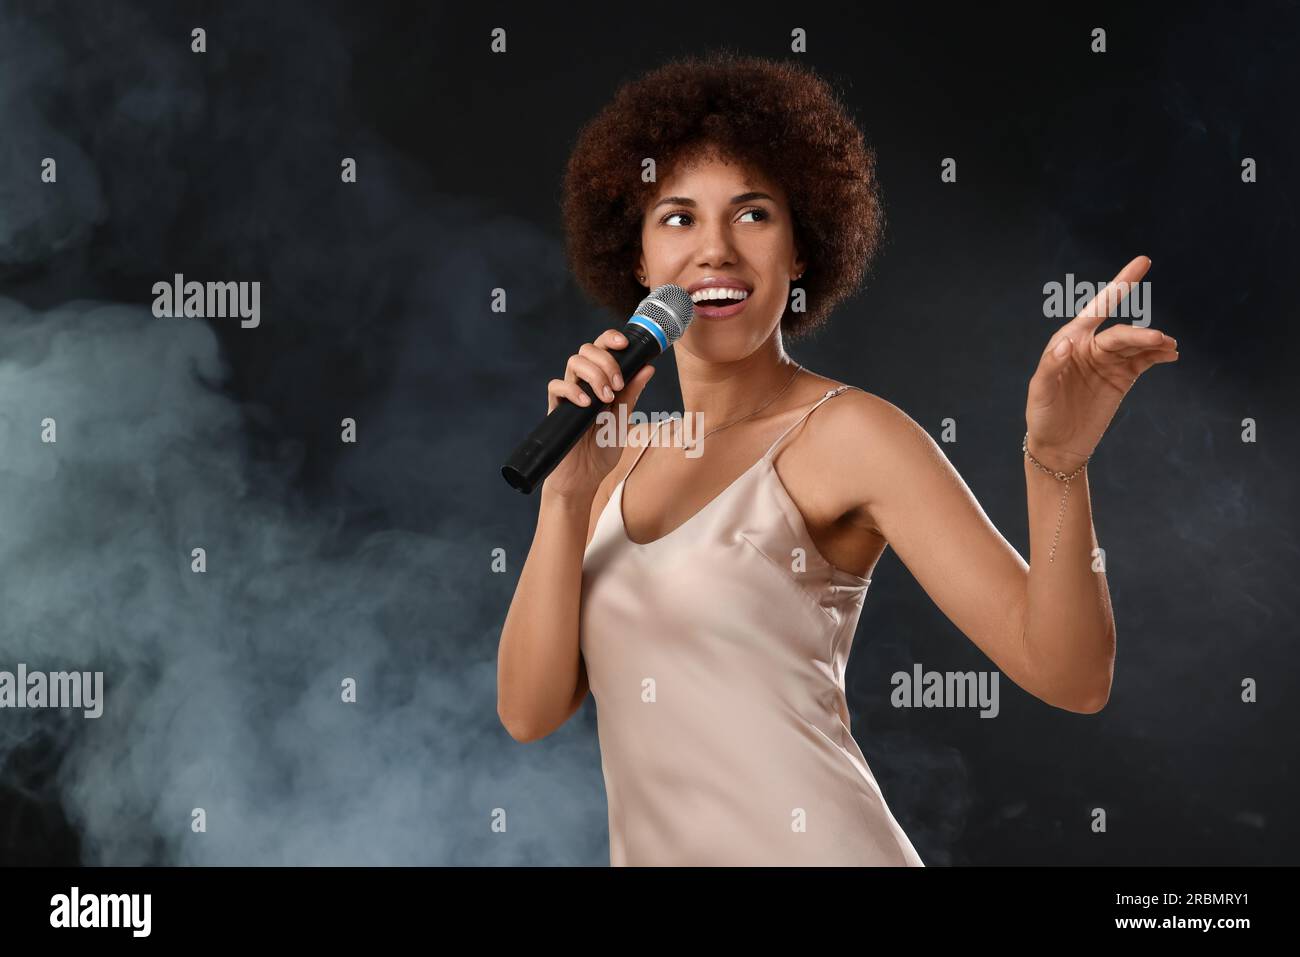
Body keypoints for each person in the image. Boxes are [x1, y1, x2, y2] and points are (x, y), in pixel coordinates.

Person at [496, 51, 1179, 866]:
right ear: (638, 259)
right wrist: (567, 496)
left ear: (804, 247)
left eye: (753, 214)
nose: (713, 250)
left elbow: (1071, 675)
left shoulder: (849, 433)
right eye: (677, 217)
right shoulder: (614, 452)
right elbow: (529, 711)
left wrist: (1057, 458)